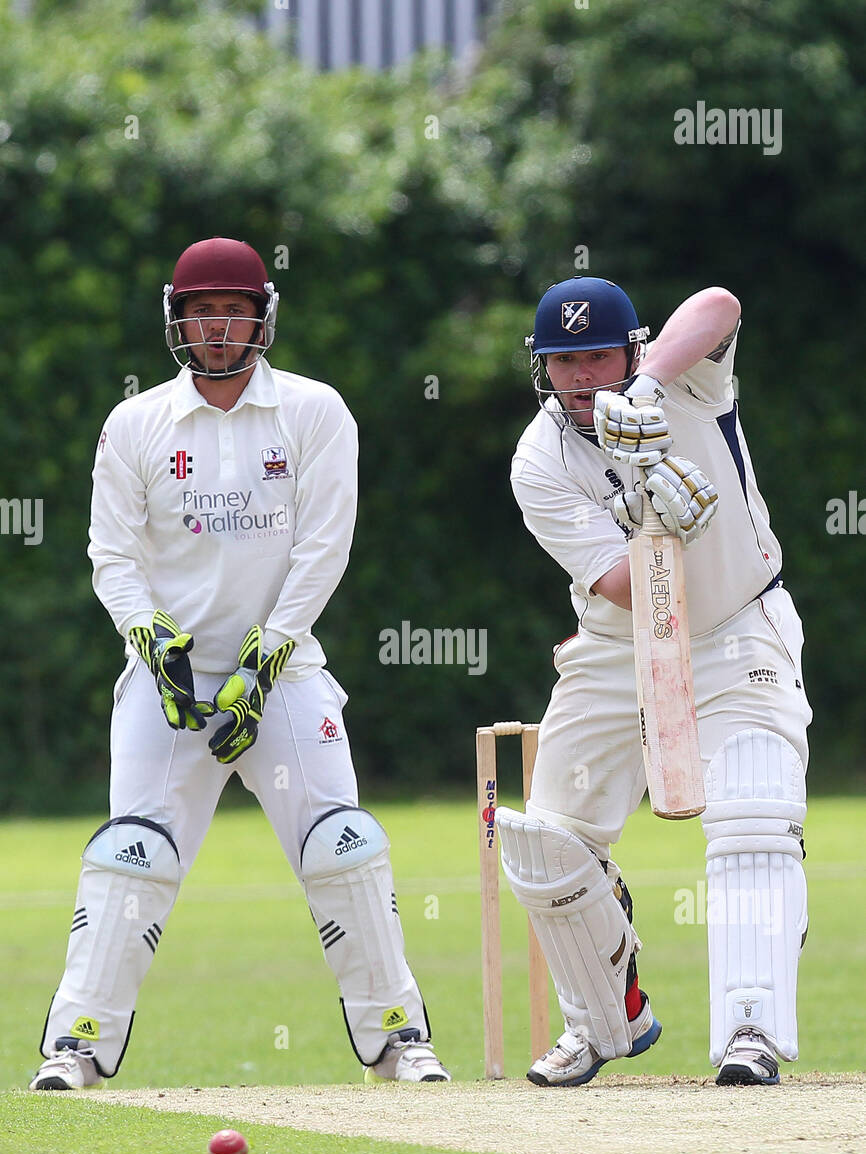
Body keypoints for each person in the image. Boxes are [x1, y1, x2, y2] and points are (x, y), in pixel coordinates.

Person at [30, 237, 449, 1090]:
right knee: (132, 854)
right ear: (176, 317)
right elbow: (111, 555)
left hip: (283, 673)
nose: (217, 326)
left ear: (261, 316)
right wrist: (152, 638)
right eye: (201, 311)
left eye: (233, 310)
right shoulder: (136, 422)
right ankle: (76, 1044)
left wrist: (267, 655)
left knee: (342, 842)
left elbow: (325, 548)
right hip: (169, 680)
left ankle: (399, 1037)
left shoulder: (315, 411)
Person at [498, 276, 811, 1087]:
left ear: (632, 349)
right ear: (541, 367)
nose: (580, 377)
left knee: (753, 809)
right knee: (544, 844)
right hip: (616, 643)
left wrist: (643, 391)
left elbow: (721, 302)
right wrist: (658, 517)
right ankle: (607, 1020)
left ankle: (751, 1031)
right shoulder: (539, 460)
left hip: (735, 621)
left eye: (598, 356)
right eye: (563, 363)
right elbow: (623, 586)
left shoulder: (686, 380)